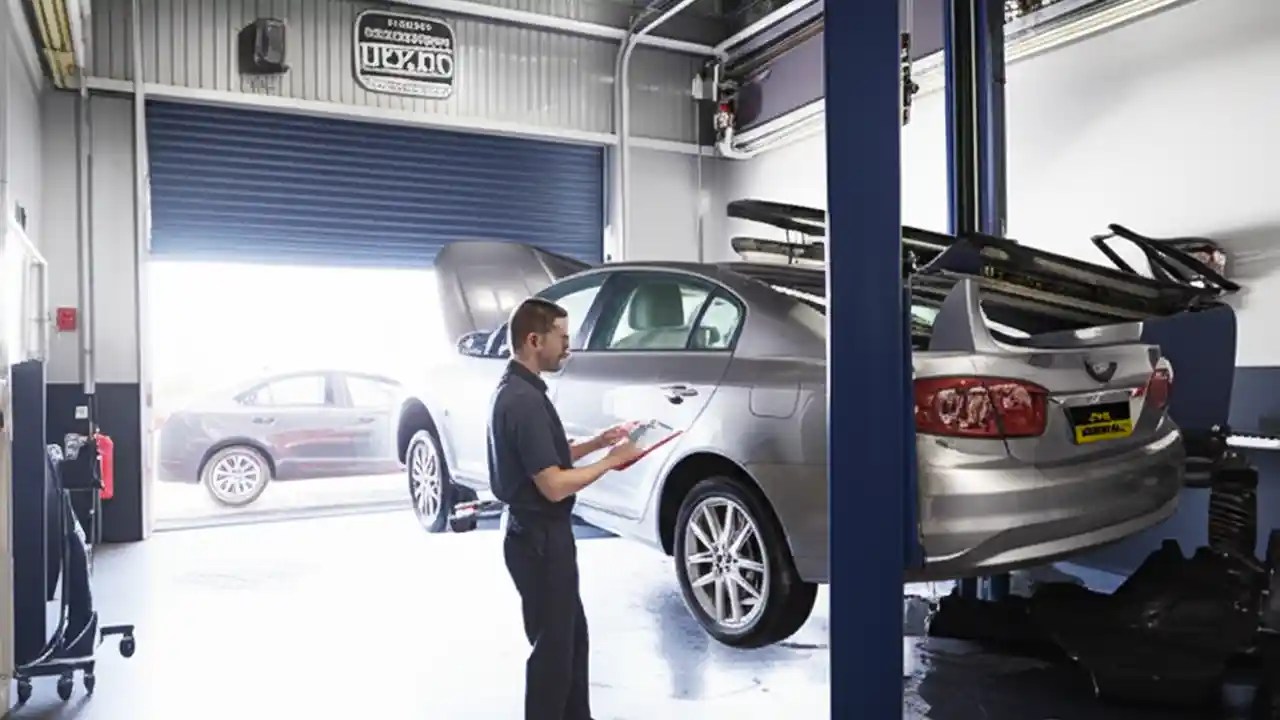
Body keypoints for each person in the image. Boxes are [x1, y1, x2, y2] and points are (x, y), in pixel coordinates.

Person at [487, 296, 643, 720]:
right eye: (563, 337)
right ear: (534, 340)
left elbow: (547, 457)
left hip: (539, 536)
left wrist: (600, 442)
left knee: (572, 640)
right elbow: (553, 485)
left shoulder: (521, 390)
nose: (568, 347)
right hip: (540, 539)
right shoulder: (523, 401)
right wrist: (612, 462)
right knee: (553, 657)